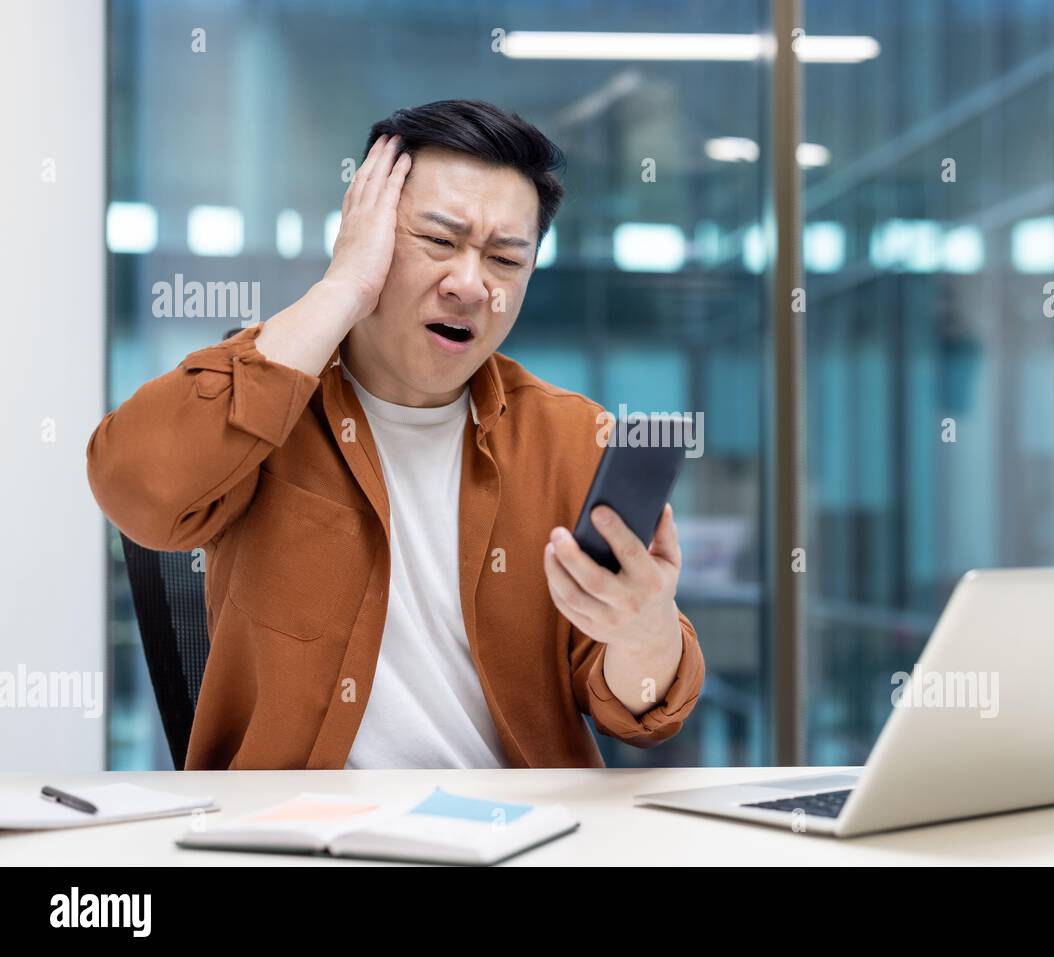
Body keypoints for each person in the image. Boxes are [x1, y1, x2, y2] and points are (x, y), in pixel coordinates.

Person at [87, 99, 705, 770]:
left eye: (504, 258)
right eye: (439, 241)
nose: (470, 284)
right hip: (297, 833)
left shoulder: (572, 438)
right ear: (367, 234)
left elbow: (638, 709)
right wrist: (342, 285)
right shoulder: (268, 399)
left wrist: (644, 634)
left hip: (512, 834)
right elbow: (133, 488)